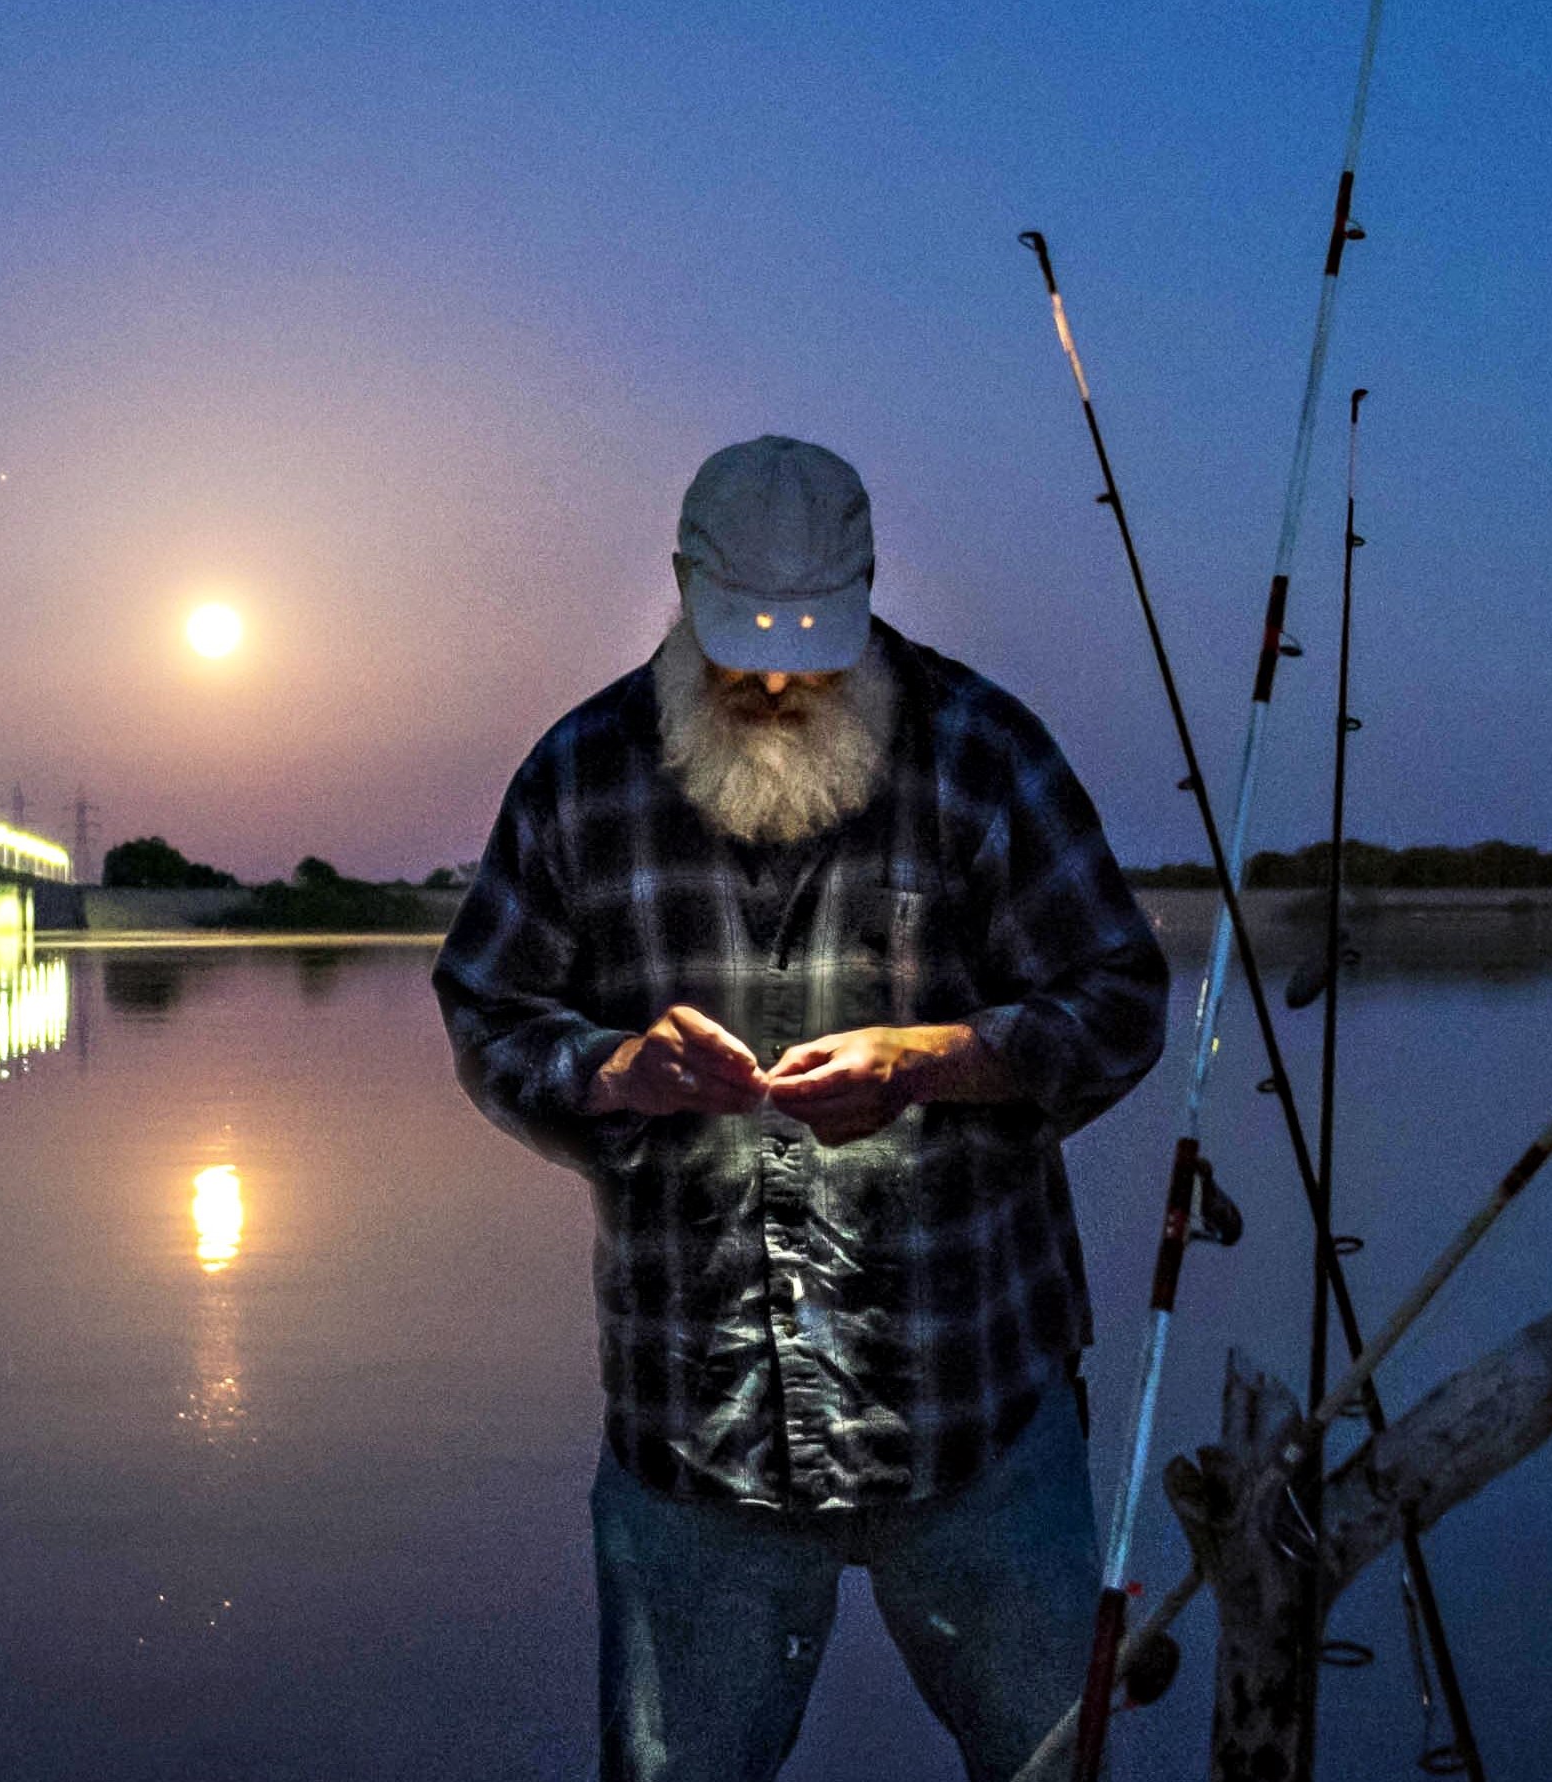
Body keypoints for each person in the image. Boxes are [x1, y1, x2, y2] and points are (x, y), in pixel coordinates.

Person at [435, 435, 1171, 1781]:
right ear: (676, 587)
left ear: (870, 590)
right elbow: (485, 1010)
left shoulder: (983, 754)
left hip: (976, 1416)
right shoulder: (578, 774)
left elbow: (1118, 999)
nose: (774, 681)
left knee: (1054, 1764)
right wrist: (611, 1073)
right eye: (740, 648)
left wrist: (933, 1056)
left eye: (809, 647)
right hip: (693, 1443)